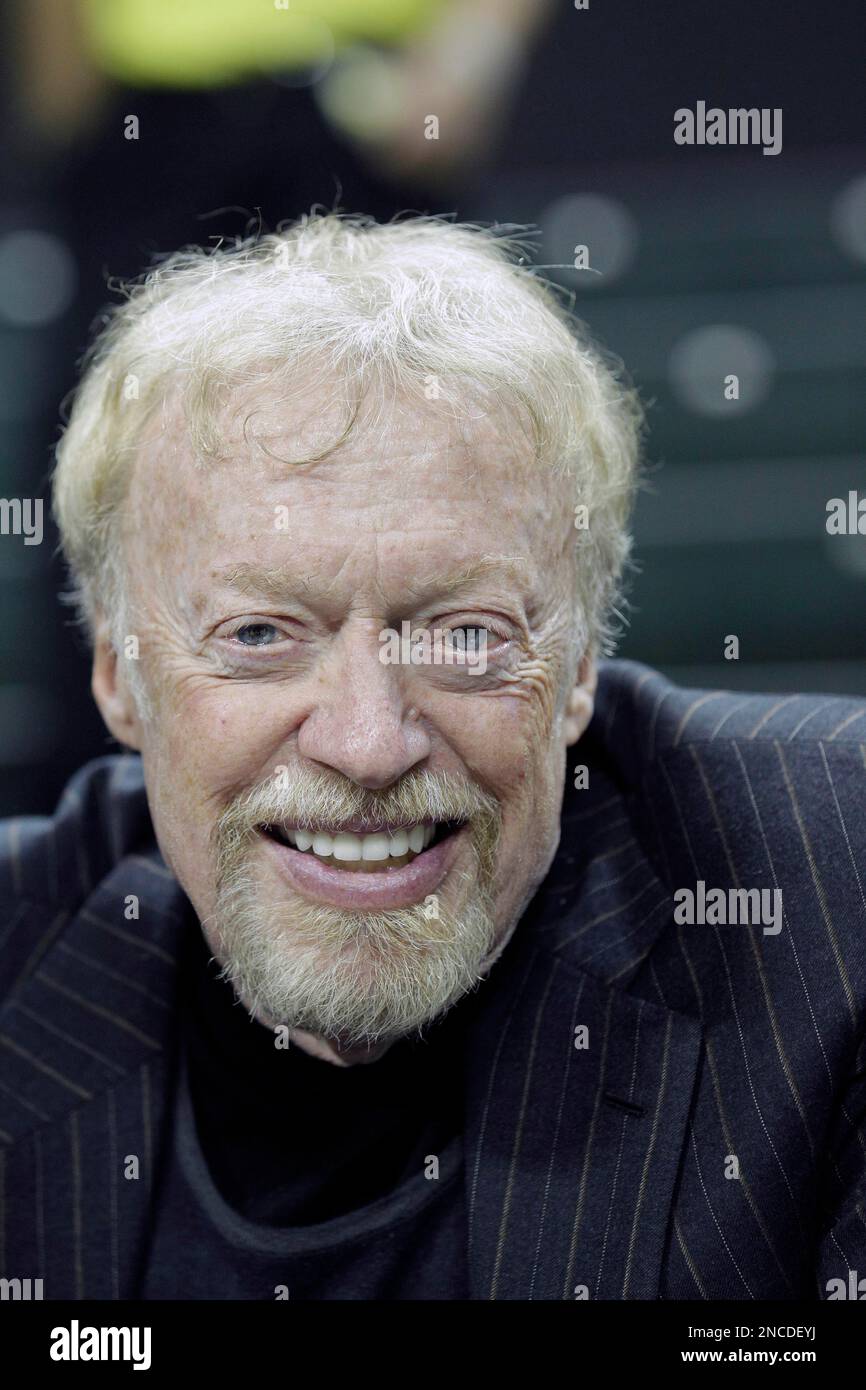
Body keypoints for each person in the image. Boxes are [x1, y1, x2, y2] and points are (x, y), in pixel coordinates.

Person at [1, 211, 864, 1301]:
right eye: (259, 636)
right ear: (120, 679)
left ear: (578, 663)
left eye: (465, 637)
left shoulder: (832, 905)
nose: (366, 743)